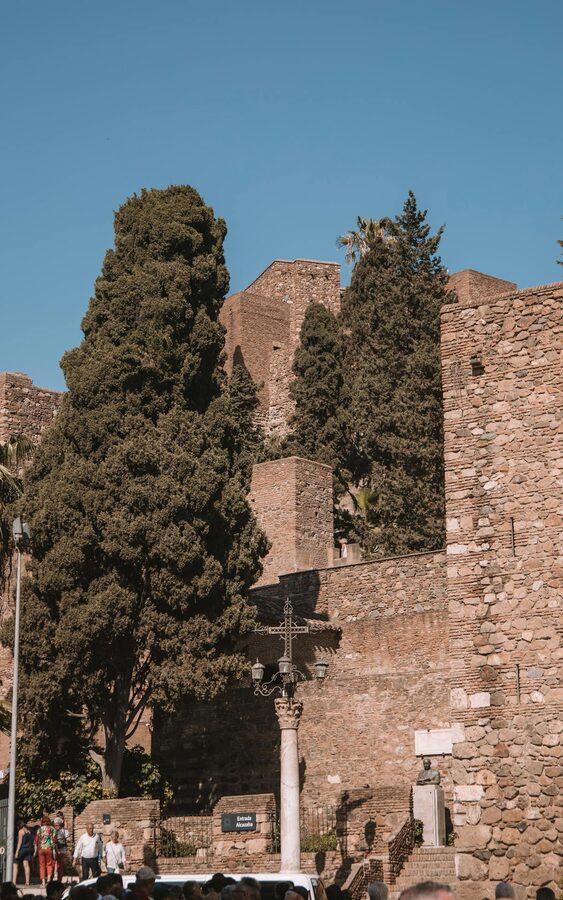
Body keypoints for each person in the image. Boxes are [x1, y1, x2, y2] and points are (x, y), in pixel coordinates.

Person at [35, 815, 58, 887]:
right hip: (49, 849)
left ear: (42, 822)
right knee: (49, 864)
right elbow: (55, 840)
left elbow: (36, 840)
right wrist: (54, 849)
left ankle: (43, 882)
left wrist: (35, 851)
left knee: (42, 866)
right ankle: (48, 878)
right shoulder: (52, 829)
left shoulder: (39, 830)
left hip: (41, 849)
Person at [13, 819, 34, 886]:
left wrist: (16, 852)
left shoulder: (20, 831)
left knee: (15, 864)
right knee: (26, 865)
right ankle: (27, 882)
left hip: (22, 849)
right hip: (28, 849)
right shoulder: (28, 831)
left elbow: (20, 842)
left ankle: (14, 882)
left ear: (19, 825)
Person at [53, 815, 70, 883]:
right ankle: (55, 878)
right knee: (55, 865)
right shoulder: (54, 830)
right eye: (55, 825)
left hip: (61, 850)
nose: (56, 826)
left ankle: (59, 880)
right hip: (55, 850)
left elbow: (68, 839)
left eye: (57, 825)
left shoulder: (63, 831)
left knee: (59, 865)